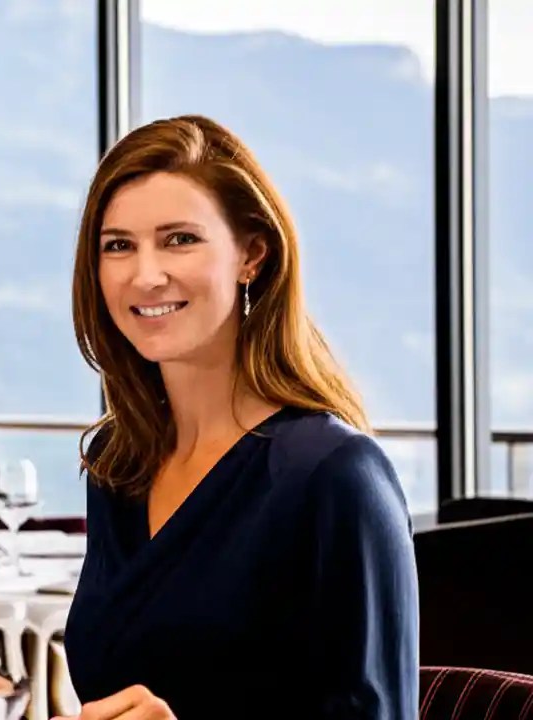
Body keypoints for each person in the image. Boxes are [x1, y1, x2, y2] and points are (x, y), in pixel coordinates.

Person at [57, 115, 418, 719]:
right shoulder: (119, 463)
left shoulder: (335, 475)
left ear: (251, 254)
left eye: (179, 239)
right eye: (118, 245)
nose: (145, 274)